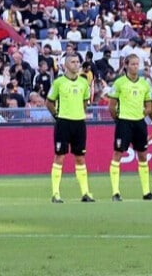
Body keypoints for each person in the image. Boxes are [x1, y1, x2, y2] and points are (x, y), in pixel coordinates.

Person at [48, 54, 94, 203]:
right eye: (72, 62)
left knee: (80, 157)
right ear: (66, 65)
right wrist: (58, 116)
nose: (76, 64)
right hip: (63, 123)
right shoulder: (59, 82)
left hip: (79, 123)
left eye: (77, 62)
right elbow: (49, 102)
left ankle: (85, 192)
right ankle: (55, 193)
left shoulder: (83, 82)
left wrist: (79, 112)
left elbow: (85, 101)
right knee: (60, 156)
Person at [109, 54, 152, 201]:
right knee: (118, 154)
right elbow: (112, 105)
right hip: (124, 122)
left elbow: (149, 106)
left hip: (139, 123)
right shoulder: (119, 83)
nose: (135, 66)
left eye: (137, 64)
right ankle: (115, 192)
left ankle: (146, 191)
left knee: (142, 155)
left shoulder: (144, 84)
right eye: (133, 64)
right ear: (126, 65)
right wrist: (118, 119)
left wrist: (142, 114)